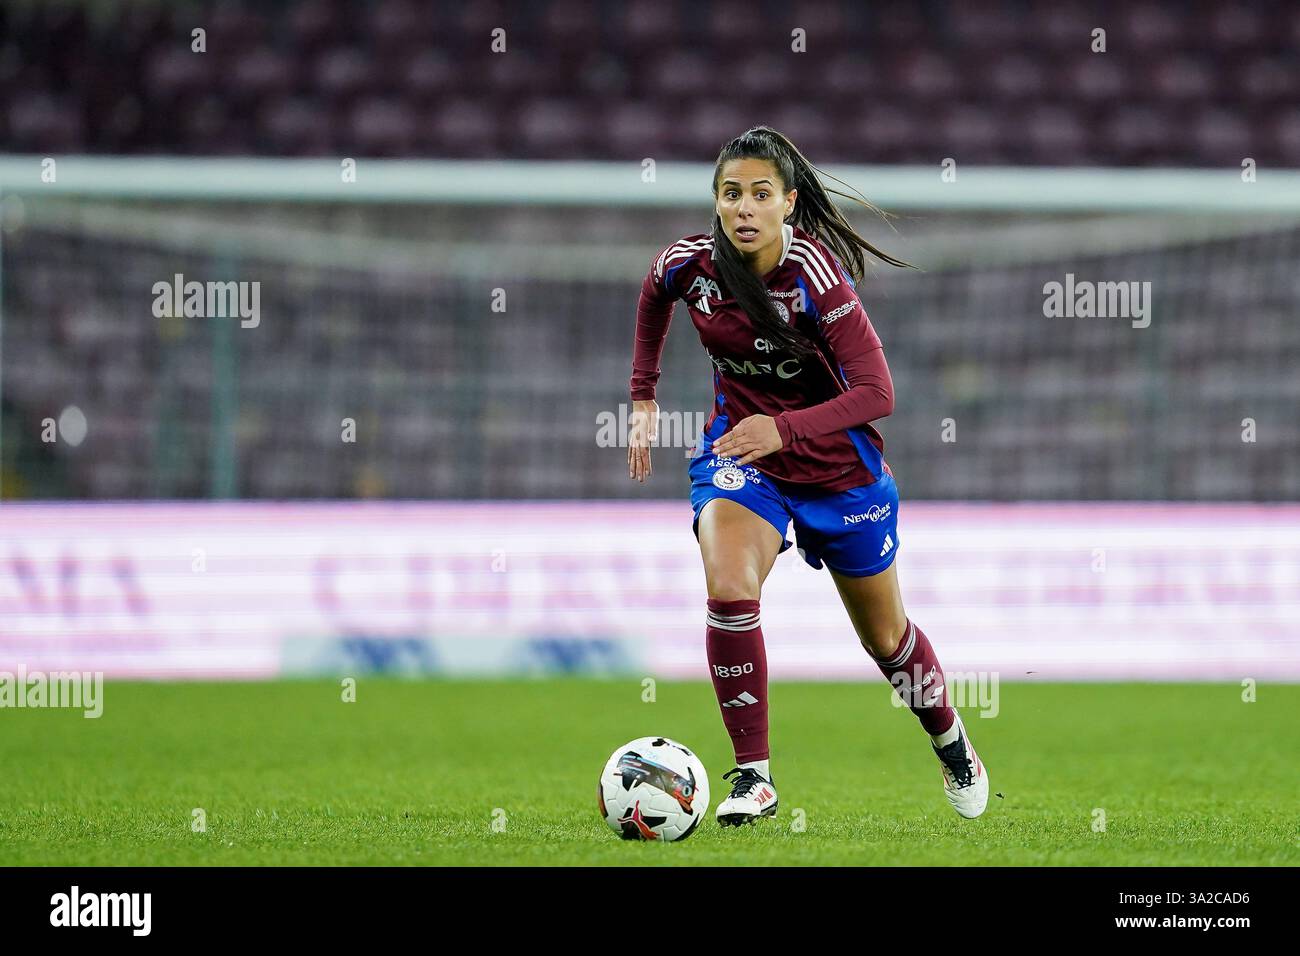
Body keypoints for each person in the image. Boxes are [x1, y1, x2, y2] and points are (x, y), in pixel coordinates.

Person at [626, 126, 989, 825]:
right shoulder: (690, 264)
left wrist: (783, 427)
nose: (744, 208)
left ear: (788, 203)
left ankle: (952, 746)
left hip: (839, 476)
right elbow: (652, 294)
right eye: (731, 193)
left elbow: (878, 393)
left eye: (761, 194)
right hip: (742, 461)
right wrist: (644, 393)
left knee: (886, 641)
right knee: (729, 589)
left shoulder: (817, 278)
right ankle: (753, 779)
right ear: (717, 200)